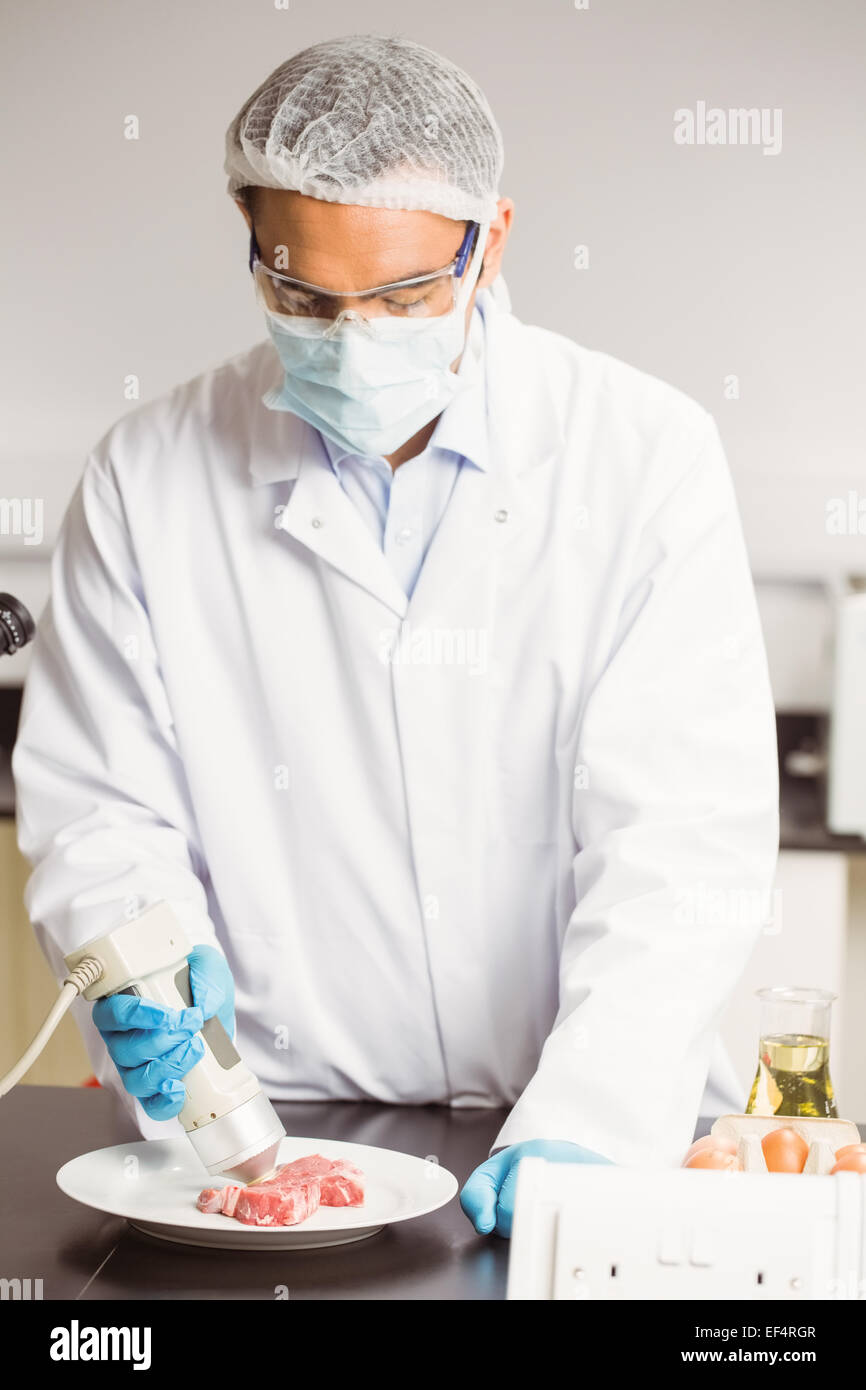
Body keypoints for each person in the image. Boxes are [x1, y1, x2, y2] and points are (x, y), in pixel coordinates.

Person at [12, 34, 779, 1239]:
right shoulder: (147, 476)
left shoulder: (641, 456)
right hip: (281, 1132)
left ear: (493, 240)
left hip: (591, 1109)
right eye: (304, 298)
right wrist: (141, 966)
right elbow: (103, 807)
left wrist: (588, 1115)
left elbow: (680, 846)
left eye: (405, 295)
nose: (355, 339)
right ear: (248, 238)